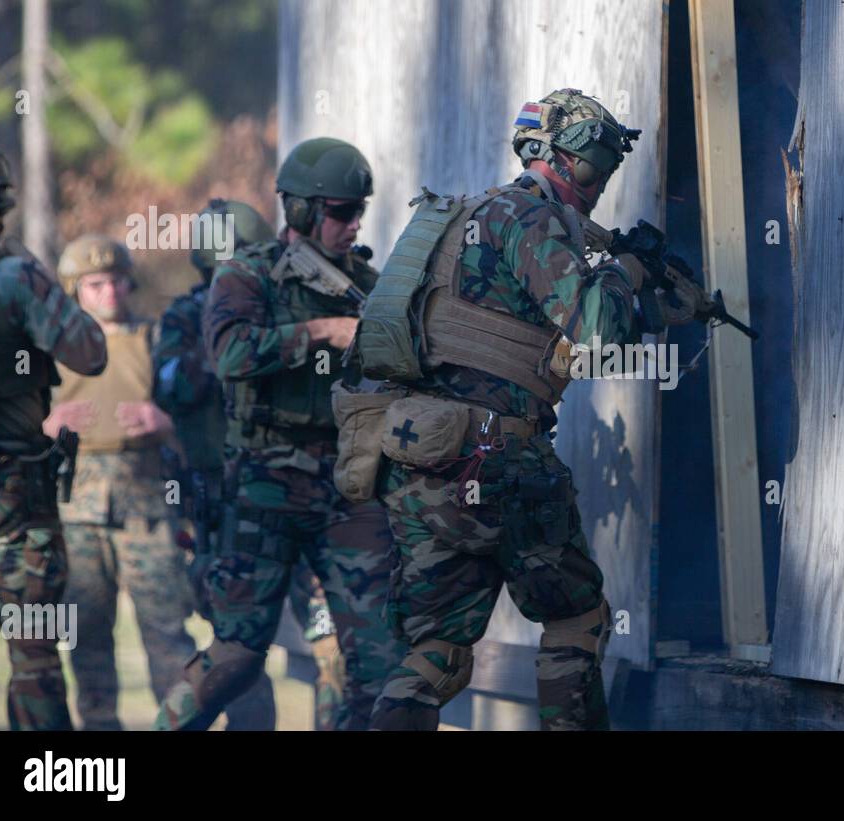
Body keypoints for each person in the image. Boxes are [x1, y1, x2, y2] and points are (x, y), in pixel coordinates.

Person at [358, 89, 698, 730]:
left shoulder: (462, 217)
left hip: (420, 455)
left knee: (439, 653)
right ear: (562, 159)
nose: (597, 188)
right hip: (498, 459)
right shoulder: (528, 219)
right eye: (595, 170)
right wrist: (627, 270)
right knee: (575, 618)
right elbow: (594, 332)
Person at [155, 137, 406, 730]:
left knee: (380, 657)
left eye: (358, 212)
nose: (353, 224)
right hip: (264, 486)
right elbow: (230, 355)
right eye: (341, 211)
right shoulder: (249, 275)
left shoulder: (367, 284)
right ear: (300, 211)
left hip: (346, 487)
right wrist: (319, 332)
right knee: (238, 653)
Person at [153, 198, 345, 730]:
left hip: (305, 491)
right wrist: (233, 344)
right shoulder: (186, 315)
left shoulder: (289, 307)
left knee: (333, 642)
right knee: (238, 650)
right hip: (225, 503)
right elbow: (169, 386)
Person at [0, 140, 107, 730]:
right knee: (33, 656)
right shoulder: (13, 276)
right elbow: (91, 352)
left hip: (7, 489)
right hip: (11, 493)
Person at [49, 233, 197, 730]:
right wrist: (46, 425)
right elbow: (7, 423)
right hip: (75, 510)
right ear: (76, 290)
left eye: (116, 282)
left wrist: (165, 421)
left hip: (147, 505)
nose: (109, 293)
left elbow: (201, 414)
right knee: (88, 638)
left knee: (167, 635)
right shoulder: (48, 349)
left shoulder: (155, 339)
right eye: (95, 284)